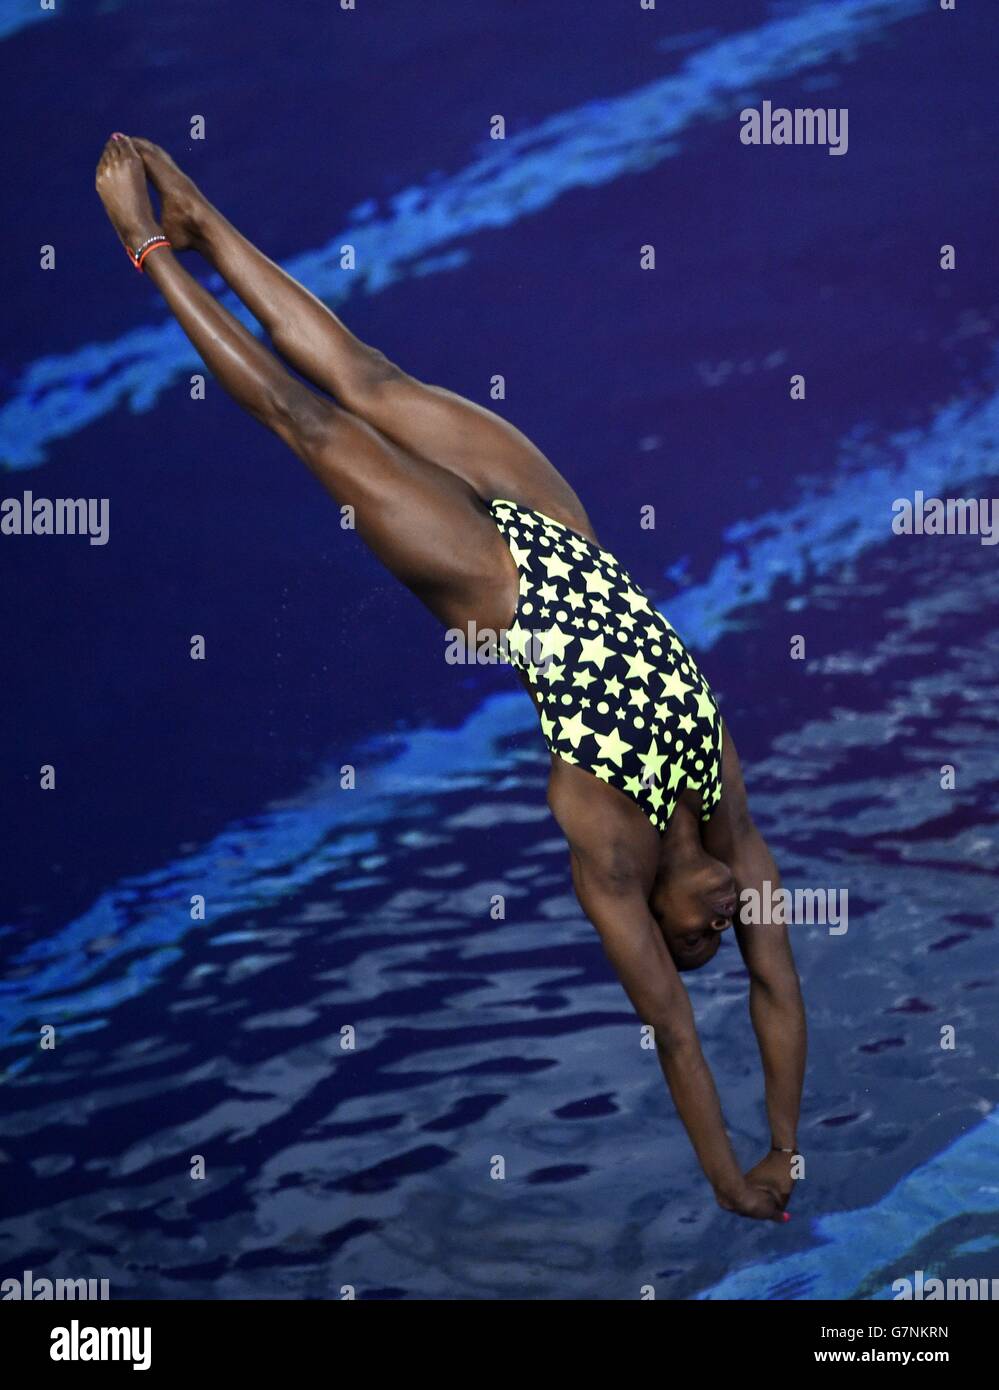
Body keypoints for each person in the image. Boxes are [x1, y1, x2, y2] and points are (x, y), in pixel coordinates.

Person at [95, 134, 806, 1222]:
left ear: (656, 919)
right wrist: (786, 1147)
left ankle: (145, 244)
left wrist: (726, 1177)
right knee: (371, 373)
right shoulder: (729, 816)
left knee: (308, 417)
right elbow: (776, 987)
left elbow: (675, 1030)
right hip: (565, 525)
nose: (715, 926)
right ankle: (201, 213)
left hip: (494, 589)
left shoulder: (609, 854)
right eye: (721, 933)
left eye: (693, 937)